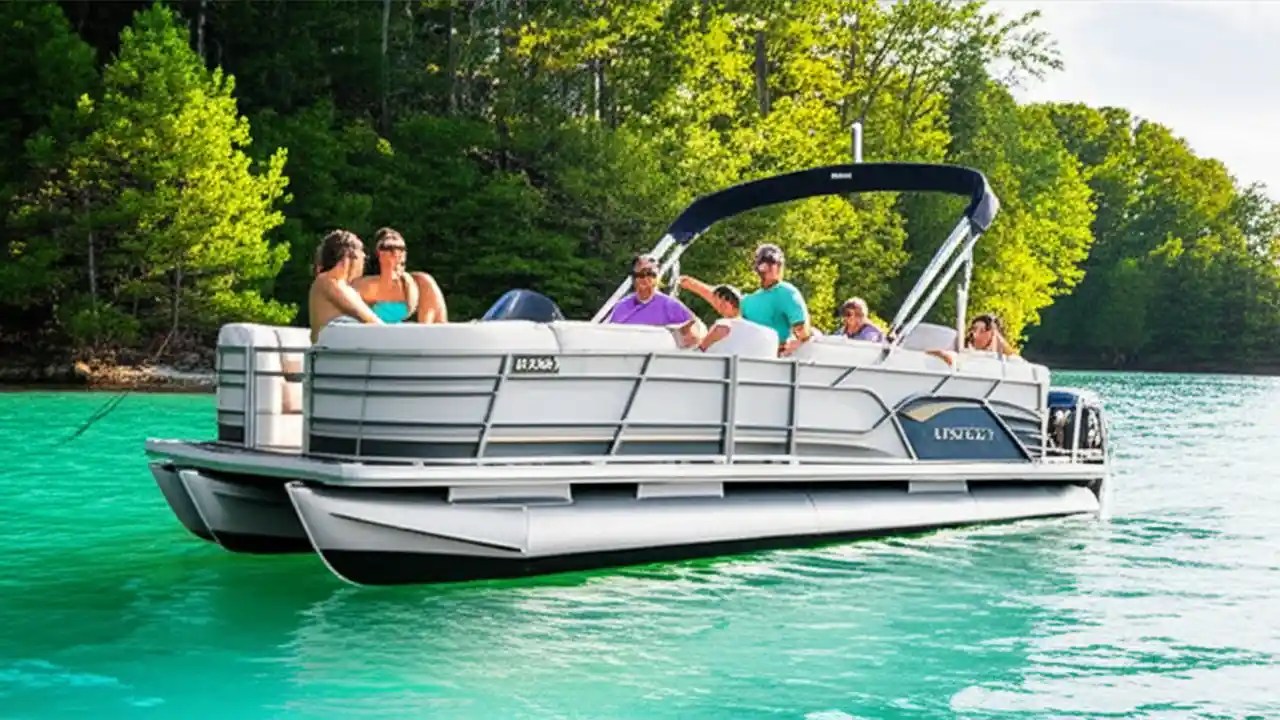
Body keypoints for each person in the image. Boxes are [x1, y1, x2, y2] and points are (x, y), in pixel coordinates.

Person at [680, 243, 813, 354]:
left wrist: (800, 342)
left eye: (770, 265)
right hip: (748, 353)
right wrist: (690, 284)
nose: (766, 270)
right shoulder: (752, 300)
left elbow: (801, 329)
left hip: (773, 355)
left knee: (723, 326)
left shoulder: (786, 292)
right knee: (722, 327)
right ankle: (699, 353)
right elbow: (723, 302)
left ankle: (698, 354)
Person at [353, 227, 448, 324]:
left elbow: (435, 324)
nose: (396, 254)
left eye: (401, 249)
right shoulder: (362, 286)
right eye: (389, 249)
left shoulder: (421, 282)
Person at [308, 229, 381, 343]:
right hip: (329, 356)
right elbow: (369, 319)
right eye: (362, 258)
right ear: (349, 257)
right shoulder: (326, 281)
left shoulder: (347, 288)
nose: (362, 265)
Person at [695, 284, 778, 356]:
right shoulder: (769, 333)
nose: (716, 307)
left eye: (717, 302)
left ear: (724, 302)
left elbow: (722, 329)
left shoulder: (725, 323)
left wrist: (700, 348)